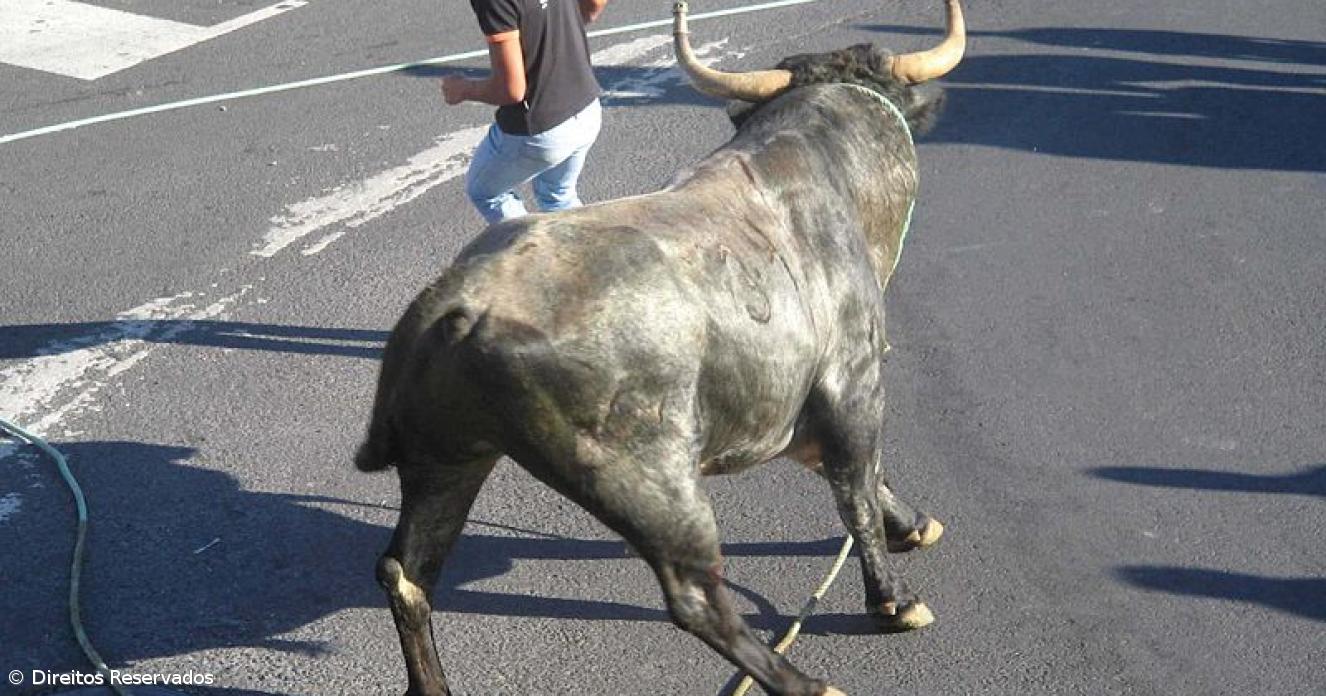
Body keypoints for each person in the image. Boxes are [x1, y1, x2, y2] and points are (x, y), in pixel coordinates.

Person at [442, 0, 609, 223]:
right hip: (586, 106)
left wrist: (463, 90)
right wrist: (557, 32)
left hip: (542, 128)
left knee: (485, 192)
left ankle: (534, 253)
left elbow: (511, 89)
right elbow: (594, 4)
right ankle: (583, 254)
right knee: (558, 197)